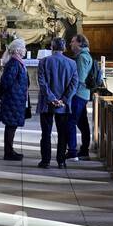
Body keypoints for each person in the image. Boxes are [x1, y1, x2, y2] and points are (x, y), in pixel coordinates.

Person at [36, 36, 77, 168]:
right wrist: (63, 100)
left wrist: (51, 98)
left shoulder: (44, 61)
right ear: (64, 48)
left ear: (51, 47)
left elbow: (42, 83)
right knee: (62, 133)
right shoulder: (72, 63)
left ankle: (46, 161)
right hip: (63, 105)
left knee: (46, 133)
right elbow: (74, 84)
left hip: (47, 103)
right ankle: (61, 161)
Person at [0, 38, 29, 160]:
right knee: (11, 125)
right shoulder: (14, 63)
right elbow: (6, 81)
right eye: (23, 48)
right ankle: (8, 152)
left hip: (15, 98)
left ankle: (10, 151)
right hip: (12, 99)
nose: (25, 50)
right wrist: (1, 93)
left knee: (12, 125)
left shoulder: (17, 61)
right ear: (18, 50)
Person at [65, 35, 93, 160]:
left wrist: (69, 95)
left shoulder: (81, 57)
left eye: (72, 41)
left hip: (78, 94)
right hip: (84, 94)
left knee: (70, 122)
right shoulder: (86, 55)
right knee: (82, 123)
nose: (70, 44)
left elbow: (80, 79)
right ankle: (84, 151)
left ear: (80, 43)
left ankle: (72, 152)